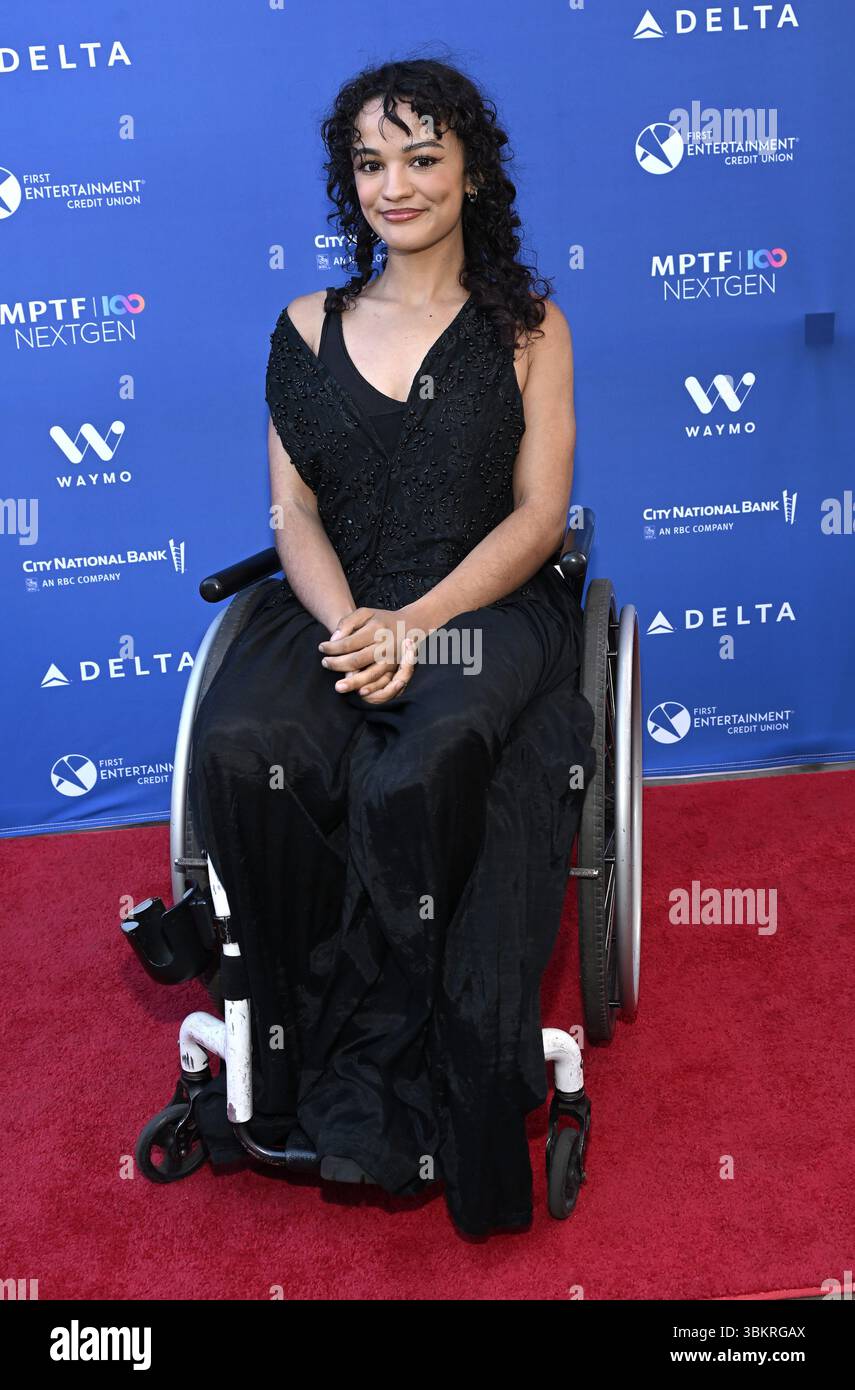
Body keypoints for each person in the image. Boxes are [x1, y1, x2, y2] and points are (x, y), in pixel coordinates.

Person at [189, 56, 595, 1237]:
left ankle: (413, 1084)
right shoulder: (304, 328)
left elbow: (537, 516)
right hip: (330, 609)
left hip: (483, 612)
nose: (396, 183)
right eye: (372, 161)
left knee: (423, 764)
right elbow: (295, 515)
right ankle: (293, 1051)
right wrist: (353, 626)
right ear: (347, 180)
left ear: (471, 172)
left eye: (422, 156)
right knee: (251, 748)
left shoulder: (527, 327)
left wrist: (418, 626)